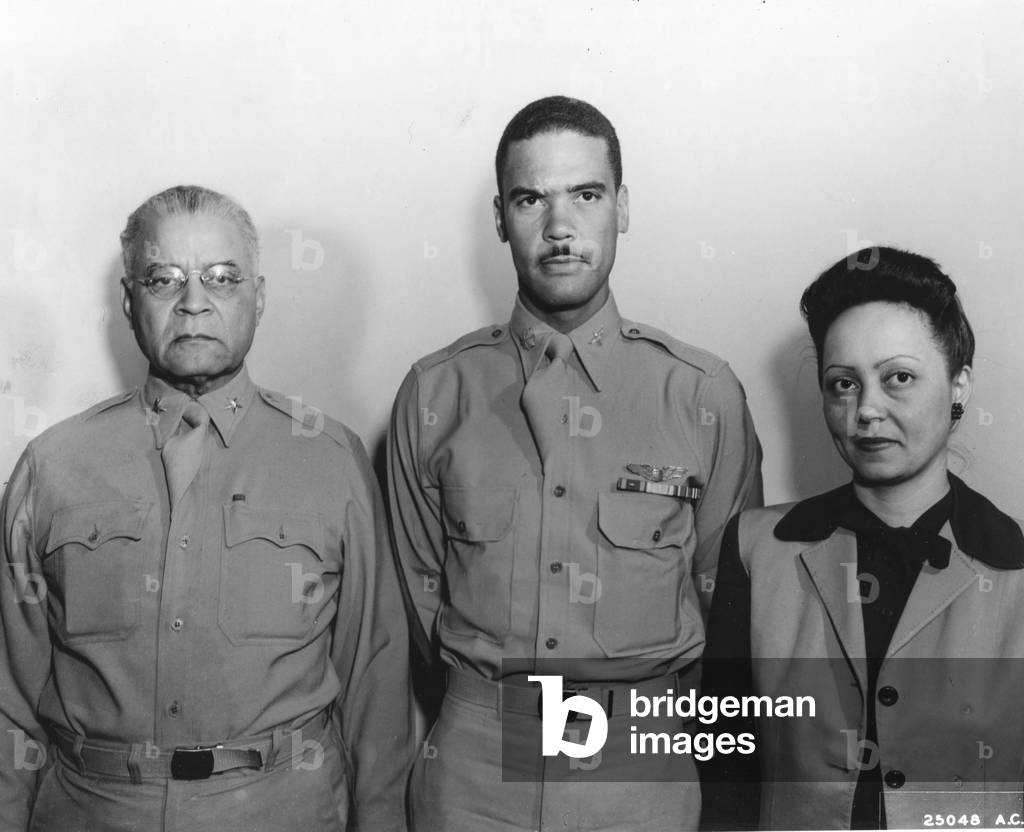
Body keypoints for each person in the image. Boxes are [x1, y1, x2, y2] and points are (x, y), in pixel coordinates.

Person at [387, 95, 763, 831]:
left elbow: (729, 605)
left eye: (586, 195)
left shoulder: (700, 394)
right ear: (501, 217)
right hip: (473, 768)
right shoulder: (436, 392)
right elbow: (415, 602)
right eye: (532, 199)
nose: (560, 228)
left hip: (641, 766)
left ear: (621, 206)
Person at [0, 185, 413, 831]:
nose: (194, 303)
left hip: (281, 810)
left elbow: (376, 687)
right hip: (94, 812)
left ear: (260, 296)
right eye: (164, 280)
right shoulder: (55, 465)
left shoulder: (330, 460)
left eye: (222, 278)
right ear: (129, 300)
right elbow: (8, 706)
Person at [701, 247, 1024, 830]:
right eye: (843, 383)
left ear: (959, 386)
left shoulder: (1016, 571)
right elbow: (725, 775)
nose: (866, 410)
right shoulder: (756, 549)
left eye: (898, 377)